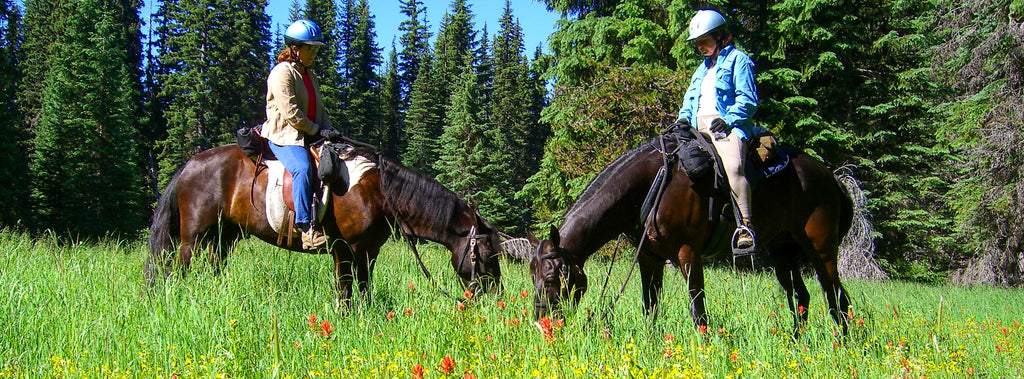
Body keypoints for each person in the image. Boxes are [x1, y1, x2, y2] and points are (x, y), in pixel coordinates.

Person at [674, 9, 758, 250]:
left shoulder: (739, 60)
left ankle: (746, 227)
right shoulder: (701, 69)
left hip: (727, 128)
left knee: (733, 167)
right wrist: (683, 120)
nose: (700, 46)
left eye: (704, 41)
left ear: (721, 37)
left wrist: (729, 119)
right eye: (697, 43)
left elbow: (748, 99)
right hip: (697, 128)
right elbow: (690, 101)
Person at [263, 19, 342, 250]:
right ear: (295, 48)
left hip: (310, 134)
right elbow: (291, 113)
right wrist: (317, 129)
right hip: (285, 135)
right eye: (310, 48)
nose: (314, 53)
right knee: (303, 168)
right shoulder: (281, 73)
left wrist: (329, 129)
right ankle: (306, 227)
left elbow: (320, 109)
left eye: (316, 48)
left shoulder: (310, 75)